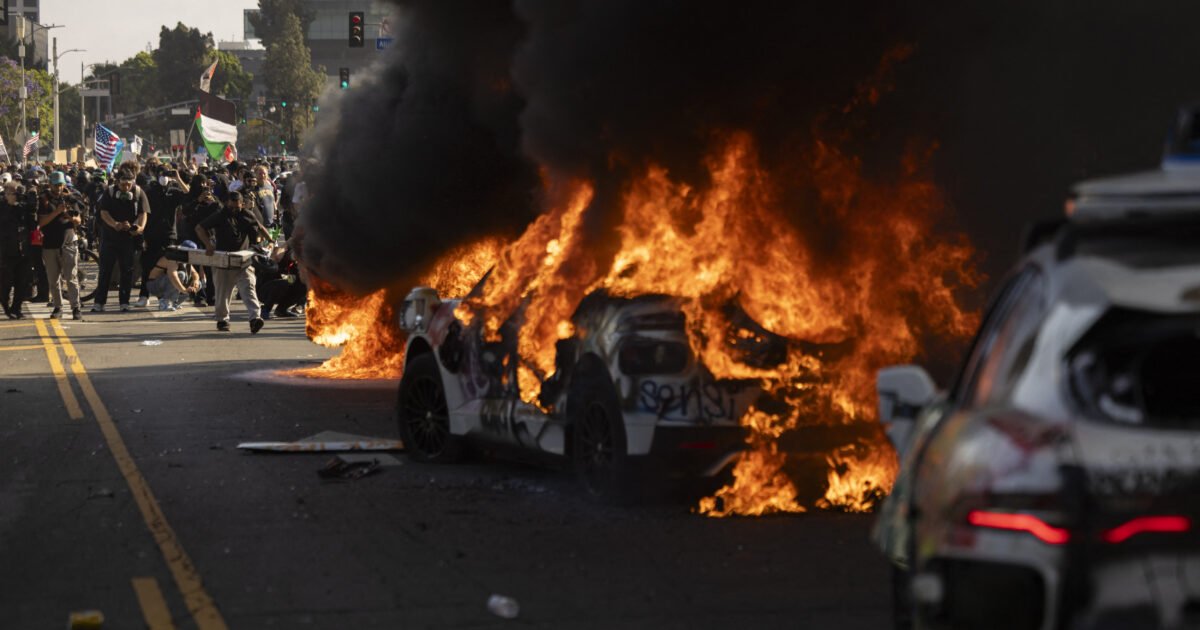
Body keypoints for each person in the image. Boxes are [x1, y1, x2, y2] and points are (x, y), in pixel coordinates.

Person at [195, 191, 272, 333]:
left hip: (243, 258)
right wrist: (208, 245)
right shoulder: (220, 215)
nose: (234, 210)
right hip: (223, 259)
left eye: (237, 207)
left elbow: (260, 227)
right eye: (231, 207)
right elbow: (199, 228)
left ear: (242, 204)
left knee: (248, 287)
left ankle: (255, 318)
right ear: (226, 204)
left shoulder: (247, 214)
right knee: (223, 291)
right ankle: (222, 320)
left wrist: (270, 241)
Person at [92, 172, 149, 312]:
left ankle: (124, 302)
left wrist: (139, 228)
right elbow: (103, 213)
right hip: (110, 238)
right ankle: (99, 303)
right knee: (105, 271)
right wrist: (115, 224)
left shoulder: (139, 192)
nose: (126, 187)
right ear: (118, 182)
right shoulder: (109, 192)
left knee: (127, 271)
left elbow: (143, 214)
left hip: (128, 240)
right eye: (123, 184)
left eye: (129, 184)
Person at [134, 166, 188, 307]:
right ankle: (144, 296)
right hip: (152, 234)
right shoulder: (150, 192)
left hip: (170, 235)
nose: (163, 177)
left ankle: (166, 297)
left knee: (170, 266)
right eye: (161, 174)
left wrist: (177, 178)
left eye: (166, 174)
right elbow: (143, 212)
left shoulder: (174, 191)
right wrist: (143, 235)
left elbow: (188, 194)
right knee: (147, 265)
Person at [37, 171, 85, 319]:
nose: (58, 188)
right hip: (50, 245)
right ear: (50, 184)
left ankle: (76, 307)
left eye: (61, 184)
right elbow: (41, 222)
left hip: (68, 243)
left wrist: (70, 216)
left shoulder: (70, 199)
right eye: (56, 185)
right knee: (53, 279)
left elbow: (78, 221)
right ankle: (58, 307)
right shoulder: (44, 200)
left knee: (71, 277)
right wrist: (57, 212)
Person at [179, 174, 222, 306]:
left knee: (210, 268)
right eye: (200, 184)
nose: (203, 187)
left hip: (209, 236)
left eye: (205, 184)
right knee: (196, 269)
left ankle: (211, 296)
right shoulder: (190, 197)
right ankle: (198, 296)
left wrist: (213, 201)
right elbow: (185, 211)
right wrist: (198, 200)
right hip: (193, 235)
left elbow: (221, 211)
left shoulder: (212, 197)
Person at [0, 181, 35, 319]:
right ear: (7, 194)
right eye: (14, 193)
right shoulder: (2, 208)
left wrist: (31, 209)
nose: (16, 196)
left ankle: (17, 309)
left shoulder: (24, 208)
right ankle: (6, 306)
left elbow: (32, 226)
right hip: (6, 252)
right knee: (5, 283)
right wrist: (11, 206)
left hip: (23, 250)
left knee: (22, 282)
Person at [145, 240, 202, 311]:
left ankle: (175, 302)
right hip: (154, 285)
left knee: (199, 284)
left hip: (167, 283)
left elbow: (195, 273)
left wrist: (195, 281)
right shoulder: (172, 257)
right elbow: (173, 275)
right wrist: (184, 290)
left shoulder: (185, 258)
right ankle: (164, 301)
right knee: (181, 274)